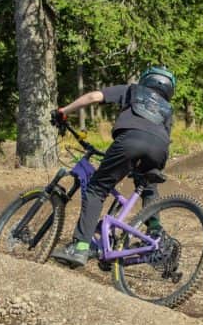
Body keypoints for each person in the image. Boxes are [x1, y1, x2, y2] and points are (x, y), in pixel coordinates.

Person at [49, 66, 175, 268]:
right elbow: (165, 135)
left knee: (96, 188)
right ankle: (155, 231)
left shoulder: (132, 90)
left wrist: (64, 111)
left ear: (146, 80)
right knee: (148, 186)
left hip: (130, 141)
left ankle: (80, 247)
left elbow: (93, 97)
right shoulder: (168, 109)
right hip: (160, 149)